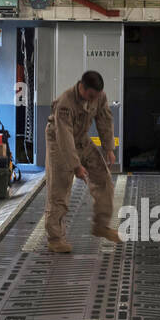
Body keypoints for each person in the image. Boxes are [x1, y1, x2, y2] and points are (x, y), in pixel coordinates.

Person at [44, 70, 121, 253]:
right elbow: (64, 137)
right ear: (82, 87)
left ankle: (101, 225)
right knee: (59, 190)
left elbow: (104, 120)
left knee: (104, 179)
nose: (92, 99)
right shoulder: (65, 103)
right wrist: (76, 166)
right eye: (90, 95)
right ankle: (55, 238)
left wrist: (108, 148)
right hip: (59, 141)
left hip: (81, 139)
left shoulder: (98, 97)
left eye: (96, 96)